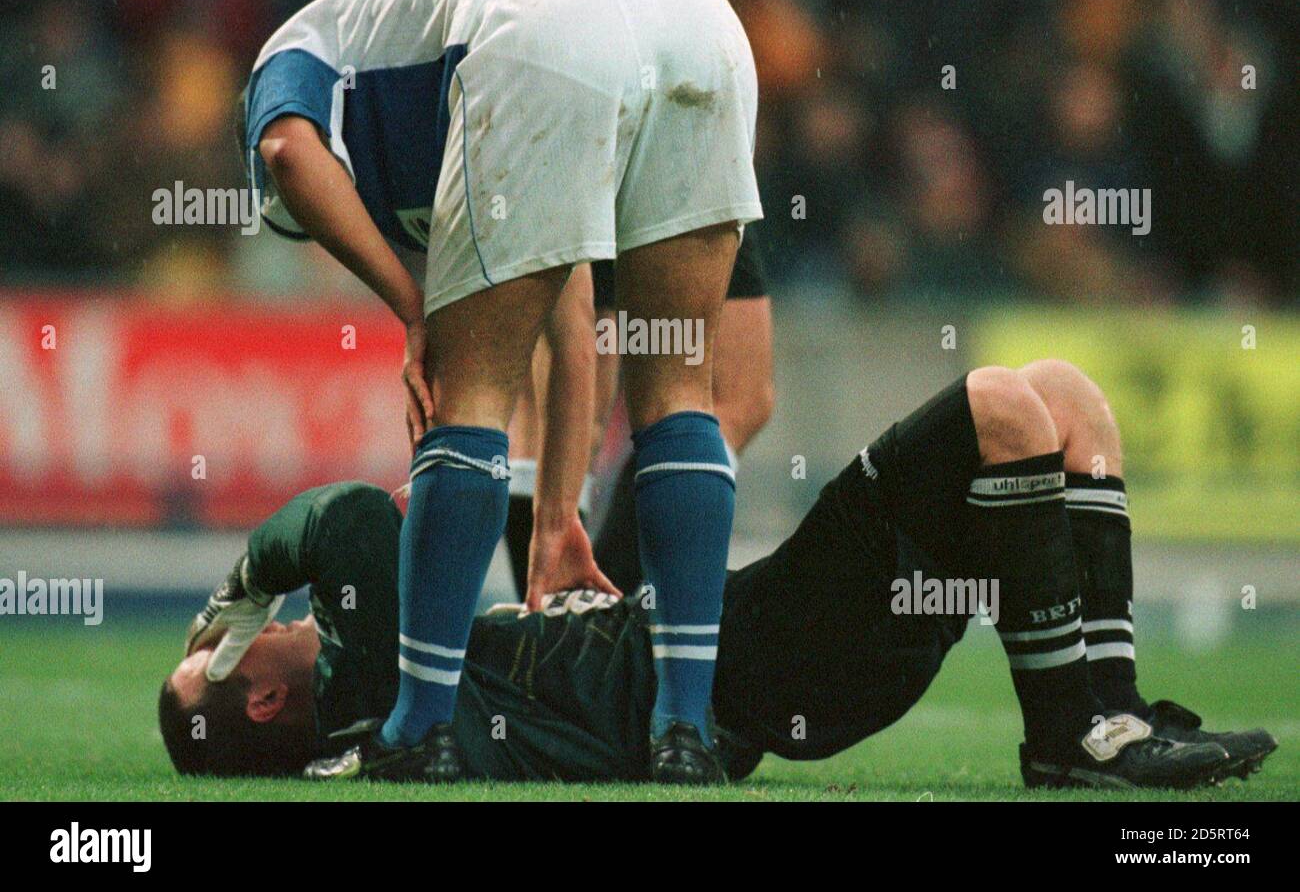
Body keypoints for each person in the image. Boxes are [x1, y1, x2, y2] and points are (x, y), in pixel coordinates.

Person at [161, 361, 1277, 788]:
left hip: (777, 660)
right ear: (262, 695)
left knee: (1063, 403)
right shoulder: (368, 699)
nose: (246, 628)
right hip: (764, 658)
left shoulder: (400, 692)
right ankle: (1066, 737)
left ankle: (1111, 716)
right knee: (998, 405)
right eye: (219, 652)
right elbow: (348, 520)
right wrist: (239, 587)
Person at [239, 0, 764, 781]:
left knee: (472, 392)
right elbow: (573, 315)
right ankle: (683, 731)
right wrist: (557, 516)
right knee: (679, 391)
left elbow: (288, 150)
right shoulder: (409, 53)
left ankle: (420, 729)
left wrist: (412, 310)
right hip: (697, 15)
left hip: (543, 24)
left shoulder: (287, 56)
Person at [426, 0, 775, 599]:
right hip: (625, 62)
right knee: (610, 384)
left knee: (706, 391)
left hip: (602, 66)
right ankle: (582, 620)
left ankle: (581, 617)